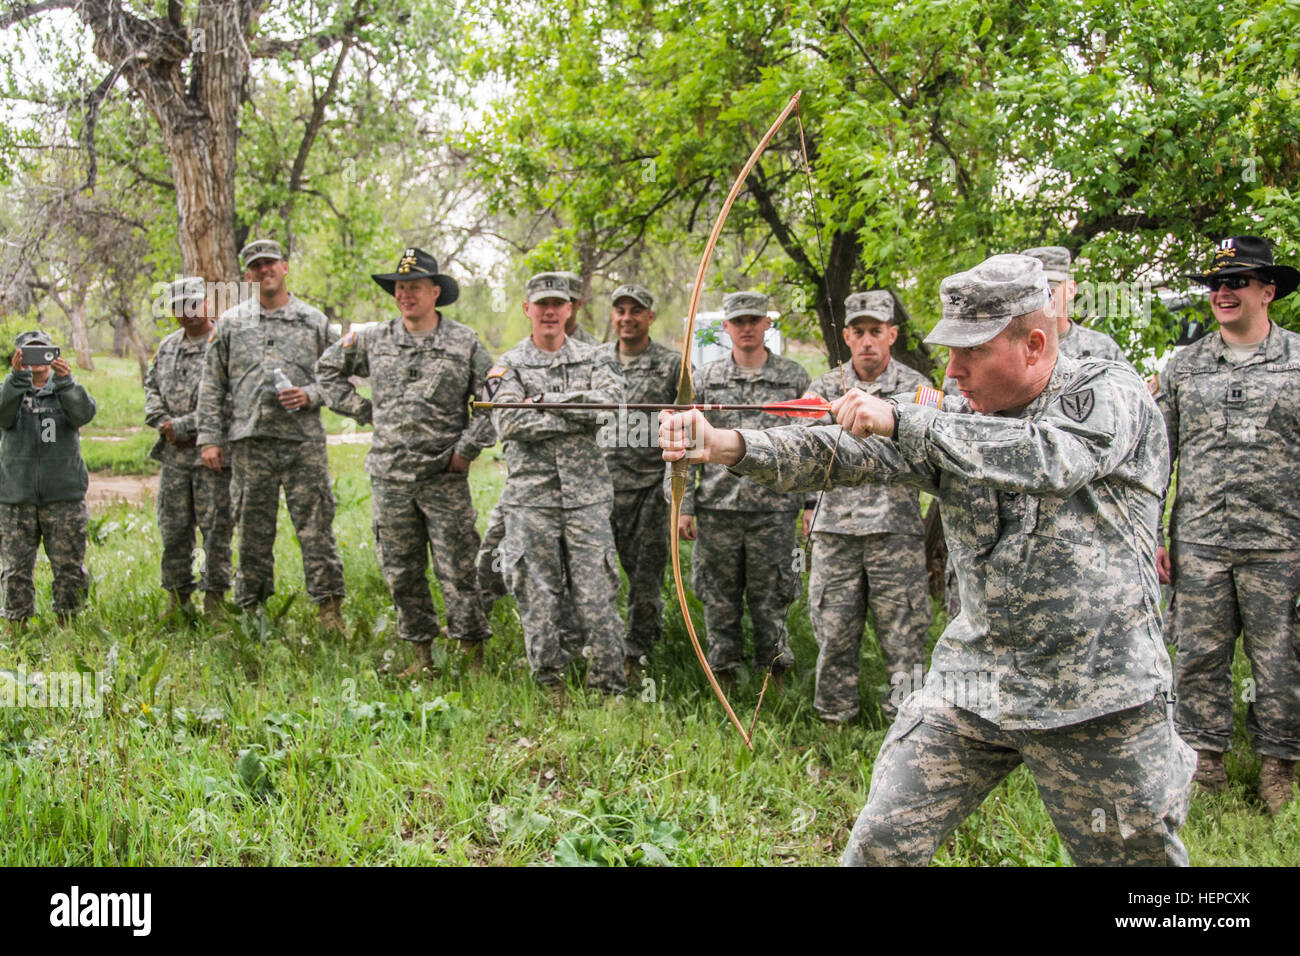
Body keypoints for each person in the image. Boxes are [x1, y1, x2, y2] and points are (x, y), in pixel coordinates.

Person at [661, 254, 1195, 866]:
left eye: (972, 351)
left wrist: (904, 418)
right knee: (882, 843)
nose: (953, 370)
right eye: (948, 350)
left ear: (1034, 343)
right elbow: (845, 453)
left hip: (1099, 695)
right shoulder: (959, 415)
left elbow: (1049, 459)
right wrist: (728, 444)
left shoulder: (1106, 393)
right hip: (976, 681)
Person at [1154, 235, 1300, 814]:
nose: (1223, 292)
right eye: (1216, 283)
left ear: (1268, 291)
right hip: (1200, 543)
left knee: (1281, 659)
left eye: (1237, 281)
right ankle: (1203, 766)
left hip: (1281, 545)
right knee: (1197, 658)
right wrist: (1151, 535)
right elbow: (1156, 458)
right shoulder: (1184, 366)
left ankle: (1278, 770)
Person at [317, 248, 495, 677]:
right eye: (400, 288)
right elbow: (326, 372)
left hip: (443, 476)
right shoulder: (373, 338)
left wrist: (466, 450)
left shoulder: (464, 341)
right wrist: (363, 410)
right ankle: (422, 657)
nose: (406, 295)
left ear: (435, 291)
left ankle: (471, 656)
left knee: (458, 568)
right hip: (391, 477)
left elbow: (492, 400)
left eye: (415, 287)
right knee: (401, 570)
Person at [196, 238, 345, 629]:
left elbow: (340, 377)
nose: (265, 271)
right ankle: (252, 611)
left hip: (302, 445)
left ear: (285, 267)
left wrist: (311, 394)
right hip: (250, 445)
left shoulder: (314, 322)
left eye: (271, 264)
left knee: (316, 529)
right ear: (247, 275)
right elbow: (212, 385)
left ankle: (330, 610)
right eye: (256, 266)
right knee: (252, 532)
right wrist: (209, 438)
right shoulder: (231, 323)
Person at [491, 272, 626, 697]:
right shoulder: (507, 364)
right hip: (531, 501)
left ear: (570, 309)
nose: (550, 311)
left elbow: (611, 408)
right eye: (541, 304)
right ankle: (551, 686)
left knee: (597, 596)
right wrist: (577, 410)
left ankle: (609, 688)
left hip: (587, 500)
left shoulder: (597, 358)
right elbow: (509, 421)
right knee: (538, 599)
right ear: (528, 309)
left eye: (558, 304)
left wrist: (546, 403)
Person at [801, 290, 932, 724]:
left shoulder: (919, 388)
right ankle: (834, 717)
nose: (867, 341)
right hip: (835, 529)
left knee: (904, 634)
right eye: (858, 332)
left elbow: (929, 452)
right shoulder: (821, 388)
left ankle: (909, 719)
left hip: (895, 529)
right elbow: (802, 450)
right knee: (834, 630)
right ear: (847, 336)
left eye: (876, 331)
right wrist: (806, 506)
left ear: (892, 334)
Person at [677, 291, 809, 691]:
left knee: (775, 594)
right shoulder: (705, 379)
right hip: (718, 509)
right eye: (739, 321)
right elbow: (681, 442)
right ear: (726, 327)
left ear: (767, 324)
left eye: (754, 319)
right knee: (719, 596)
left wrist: (809, 505)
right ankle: (725, 675)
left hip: (776, 509)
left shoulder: (794, 377)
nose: (747, 328)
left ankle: (776, 674)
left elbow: (810, 445)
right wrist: (684, 506)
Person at [597, 284, 681, 681]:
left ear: (650, 316)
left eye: (636, 310)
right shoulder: (595, 362)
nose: (627, 317)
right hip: (599, 492)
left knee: (646, 582)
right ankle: (600, 652)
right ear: (612, 316)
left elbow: (686, 431)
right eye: (620, 310)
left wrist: (675, 492)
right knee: (596, 578)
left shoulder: (671, 365)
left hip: (650, 490)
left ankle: (637, 656)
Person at [144, 277, 234, 617]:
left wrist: (182, 426)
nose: (189, 311)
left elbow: (229, 399)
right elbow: (151, 386)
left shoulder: (224, 342)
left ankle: (215, 602)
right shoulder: (167, 346)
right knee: (174, 529)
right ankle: (177, 601)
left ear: (208, 304)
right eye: (180, 306)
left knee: (216, 531)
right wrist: (162, 422)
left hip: (212, 456)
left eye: (194, 303)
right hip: (174, 458)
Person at [0, 331, 96, 631]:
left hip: (63, 496)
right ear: (18, 356)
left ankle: (69, 625)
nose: (36, 360)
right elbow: (3, 417)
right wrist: (16, 380)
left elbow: (84, 414)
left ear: (53, 355)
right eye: (28, 352)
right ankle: (18, 629)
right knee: (15, 569)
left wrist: (66, 382)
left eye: (42, 352)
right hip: (16, 497)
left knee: (68, 567)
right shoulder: (10, 387)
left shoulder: (65, 387)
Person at [1021, 246, 1130, 364]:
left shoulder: (1102, 350)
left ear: (1071, 290)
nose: (1043, 294)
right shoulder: (1011, 349)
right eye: (1034, 288)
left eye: (1052, 285)